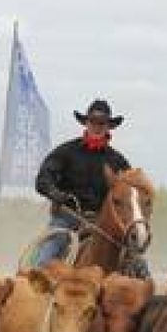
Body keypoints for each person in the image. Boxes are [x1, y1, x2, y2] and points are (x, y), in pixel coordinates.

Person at [33, 98, 132, 266]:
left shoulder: (118, 161)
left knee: (135, 259)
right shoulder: (66, 152)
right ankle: (36, 282)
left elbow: (130, 191)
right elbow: (43, 178)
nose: (97, 126)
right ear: (86, 123)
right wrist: (56, 193)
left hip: (104, 222)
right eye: (93, 122)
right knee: (45, 258)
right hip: (67, 218)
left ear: (109, 126)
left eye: (102, 123)